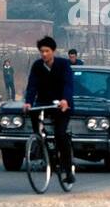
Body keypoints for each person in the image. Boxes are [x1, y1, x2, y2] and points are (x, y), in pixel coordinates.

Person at [24, 35, 75, 185]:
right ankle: (41, 146)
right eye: (41, 51)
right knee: (34, 118)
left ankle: (67, 168)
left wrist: (65, 99)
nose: (44, 54)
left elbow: (68, 84)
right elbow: (32, 86)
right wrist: (28, 102)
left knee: (60, 134)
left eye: (47, 51)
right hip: (43, 103)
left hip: (61, 105)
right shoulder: (37, 66)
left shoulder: (63, 65)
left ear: (53, 51)